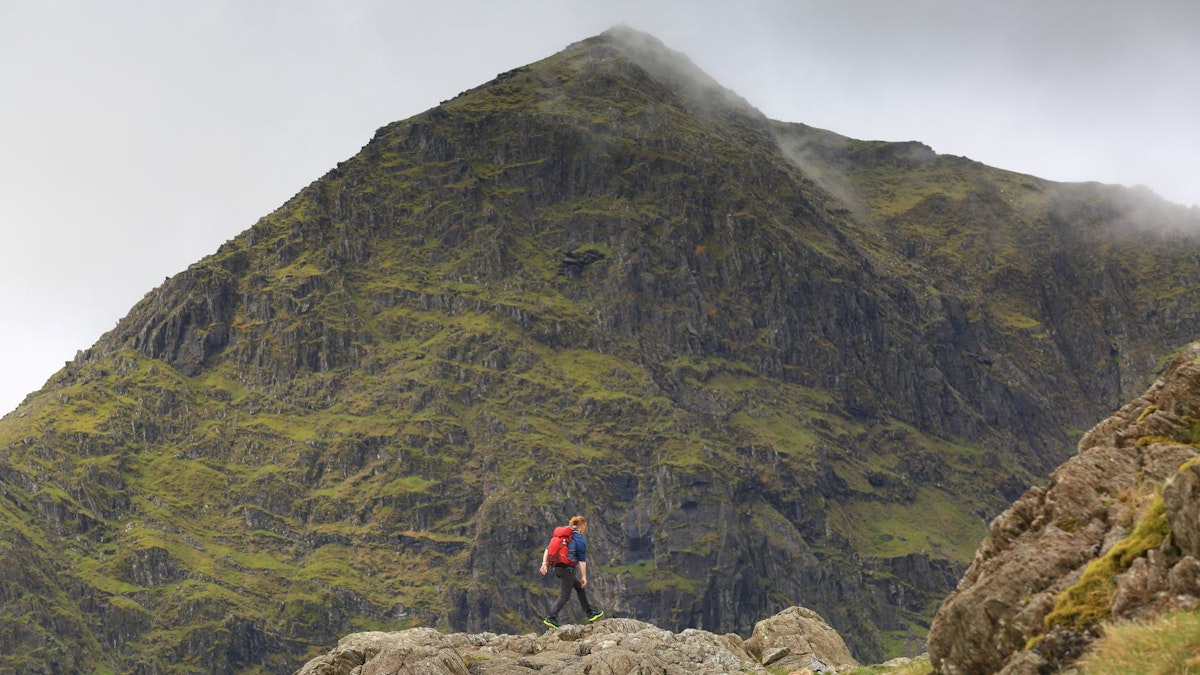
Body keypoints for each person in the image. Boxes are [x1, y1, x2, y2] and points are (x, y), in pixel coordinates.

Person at [540, 515, 603, 627]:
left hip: (557, 568)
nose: (585, 529)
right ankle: (551, 617)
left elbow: (547, 549)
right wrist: (584, 576)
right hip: (566, 570)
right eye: (585, 527)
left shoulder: (561, 536)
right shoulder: (578, 539)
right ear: (582, 526)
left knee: (579, 588)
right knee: (565, 595)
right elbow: (582, 559)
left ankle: (590, 613)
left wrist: (544, 564)